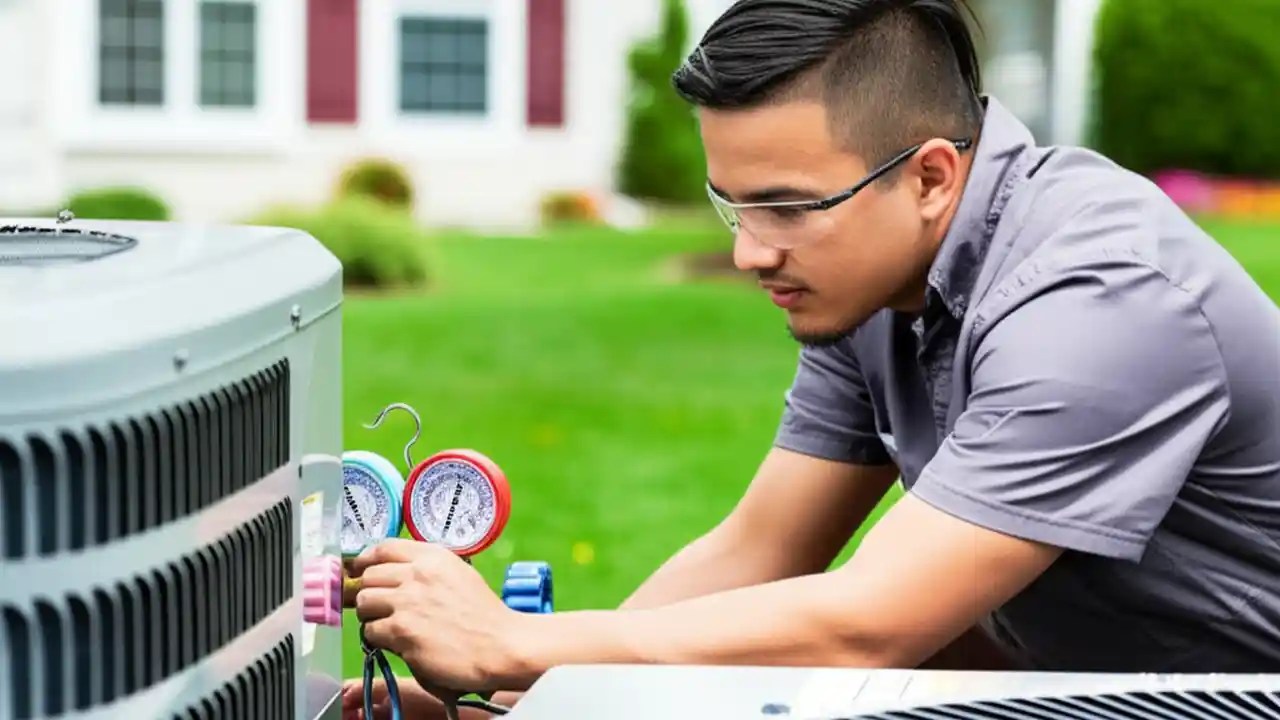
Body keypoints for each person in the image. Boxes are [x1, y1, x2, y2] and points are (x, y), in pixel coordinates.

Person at [342, 0, 1280, 716]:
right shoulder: (872, 283)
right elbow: (760, 553)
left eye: (787, 206)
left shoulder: (1096, 300)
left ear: (929, 176)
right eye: (733, 206)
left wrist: (514, 645)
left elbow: (866, 625)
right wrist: (536, 697)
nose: (751, 251)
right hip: (1097, 674)